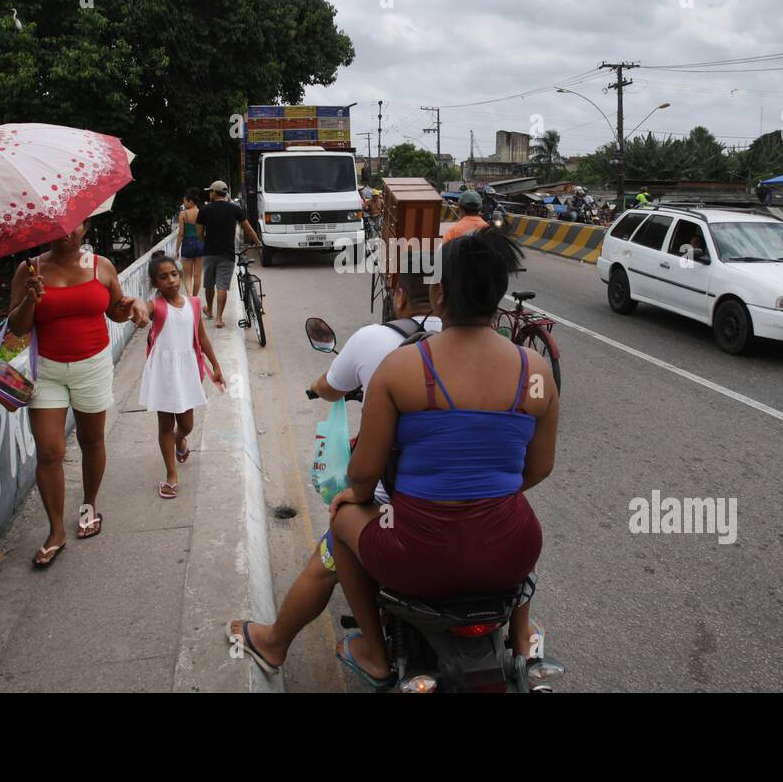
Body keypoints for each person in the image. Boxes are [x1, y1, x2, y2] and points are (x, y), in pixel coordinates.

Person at [324, 228, 558, 686]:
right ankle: (522, 633)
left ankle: (374, 651)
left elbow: (365, 472)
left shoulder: (402, 367)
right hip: (510, 551)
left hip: (418, 555)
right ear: (499, 295)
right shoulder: (536, 371)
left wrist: (352, 498)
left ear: (438, 292)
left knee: (340, 521)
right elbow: (538, 467)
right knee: (514, 510)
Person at [226, 265, 443, 675]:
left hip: (401, 511)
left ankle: (277, 644)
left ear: (398, 295)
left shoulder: (378, 344)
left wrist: (318, 389)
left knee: (334, 544)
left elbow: (361, 475)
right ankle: (527, 643)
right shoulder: (480, 353)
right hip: (482, 516)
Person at [9, 218, 149, 569]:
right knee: (48, 451)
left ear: (85, 227)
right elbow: (17, 327)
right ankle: (56, 531)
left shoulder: (100, 265)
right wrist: (30, 299)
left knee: (92, 441)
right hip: (48, 370)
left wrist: (132, 305)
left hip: (93, 367)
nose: (67, 235)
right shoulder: (29, 270)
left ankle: (89, 504)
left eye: (75, 227)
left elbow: (114, 311)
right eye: (57, 228)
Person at [140, 252, 224, 500]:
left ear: (180, 275)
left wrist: (216, 365)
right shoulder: (156, 306)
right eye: (163, 277)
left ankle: (180, 440)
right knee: (165, 425)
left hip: (187, 371)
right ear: (155, 283)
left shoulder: (194, 304)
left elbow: (202, 337)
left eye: (174, 274)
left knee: (186, 425)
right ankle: (171, 475)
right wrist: (137, 310)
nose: (171, 280)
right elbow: (143, 309)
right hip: (163, 374)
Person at [197, 180, 263, 329]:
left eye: (210, 191)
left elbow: (199, 233)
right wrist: (257, 242)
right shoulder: (234, 209)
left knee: (209, 284)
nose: (209, 193)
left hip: (209, 252)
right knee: (222, 286)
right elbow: (248, 228)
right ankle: (219, 318)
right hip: (227, 253)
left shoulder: (204, 210)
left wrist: (205, 242)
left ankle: (209, 309)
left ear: (214, 192)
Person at [175, 189, 205, 300]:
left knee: (187, 275)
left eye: (185, 201)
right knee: (198, 275)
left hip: (187, 244)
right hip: (200, 243)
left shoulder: (183, 214)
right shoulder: (201, 212)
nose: (184, 204)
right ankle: (195, 297)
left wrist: (177, 250)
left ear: (191, 201)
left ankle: (189, 296)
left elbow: (181, 234)